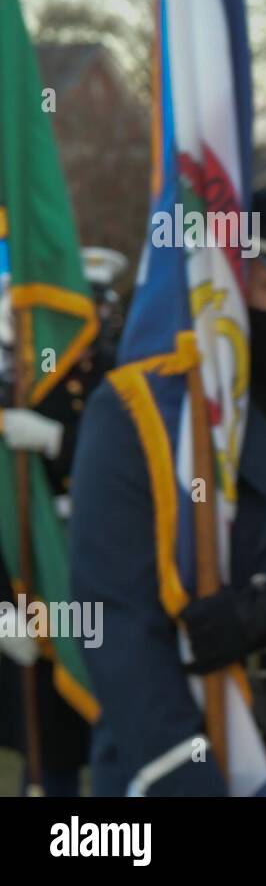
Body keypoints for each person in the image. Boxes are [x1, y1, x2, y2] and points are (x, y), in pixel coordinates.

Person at [70, 186, 266, 795]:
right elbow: (114, 617)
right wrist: (182, 773)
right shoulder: (145, 410)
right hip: (181, 748)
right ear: (234, 289)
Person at [0, 246, 127, 796]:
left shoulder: (124, 379)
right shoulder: (15, 389)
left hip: (111, 571)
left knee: (119, 727)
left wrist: (56, 441)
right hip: (35, 582)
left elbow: (138, 461)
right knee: (49, 741)